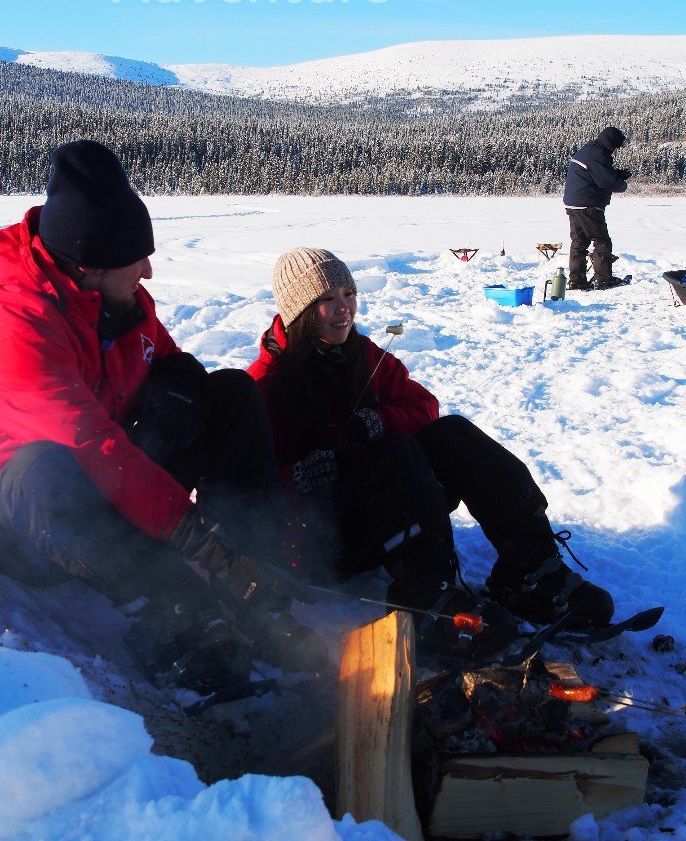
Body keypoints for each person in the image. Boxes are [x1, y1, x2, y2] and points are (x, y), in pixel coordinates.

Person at [0, 140, 324, 695]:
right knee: (41, 469)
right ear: (89, 264)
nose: (150, 271)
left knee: (226, 393)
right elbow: (97, 450)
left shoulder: (121, 301)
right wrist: (198, 543)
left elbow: (166, 364)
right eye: (138, 258)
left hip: (110, 473)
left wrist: (181, 377)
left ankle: (256, 572)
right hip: (28, 524)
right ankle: (175, 613)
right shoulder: (12, 335)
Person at [247, 248, 614, 658]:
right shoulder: (265, 384)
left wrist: (380, 420)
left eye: (348, 293)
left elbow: (423, 406)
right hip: (323, 545)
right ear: (299, 310)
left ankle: (531, 571)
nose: (343, 308)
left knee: (450, 433)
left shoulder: (363, 355)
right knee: (397, 450)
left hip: (385, 515)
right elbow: (243, 488)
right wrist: (297, 477)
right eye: (326, 299)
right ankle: (425, 602)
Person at [563, 126, 632, 290]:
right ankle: (603, 279)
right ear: (611, 143)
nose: (616, 150)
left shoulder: (590, 150)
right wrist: (621, 183)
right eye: (616, 146)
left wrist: (616, 175)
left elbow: (597, 175)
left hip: (574, 203)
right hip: (587, 204)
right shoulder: (598, 155)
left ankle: (576, 280)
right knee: (601, 241)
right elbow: (606, 182)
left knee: (579, 242)